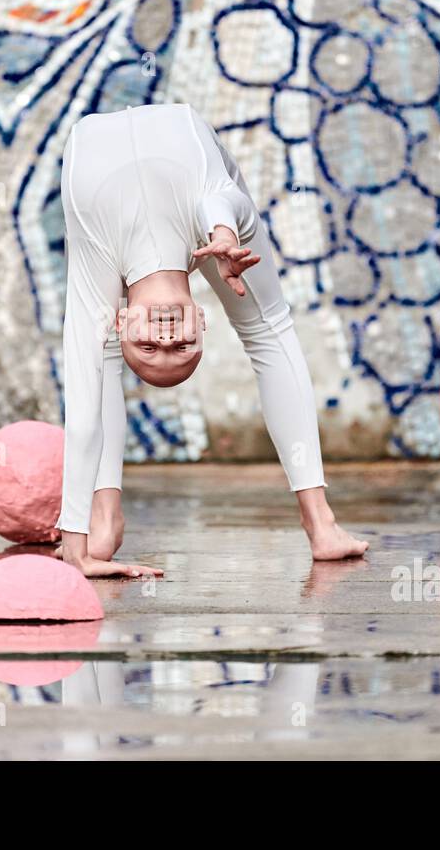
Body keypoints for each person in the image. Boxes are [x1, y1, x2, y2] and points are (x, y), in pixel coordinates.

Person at [57, 103, 368, 578]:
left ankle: (101, 525)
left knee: (95, 357)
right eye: (180, 347)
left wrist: (74, 548)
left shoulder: (97, 260)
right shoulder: (212, 211)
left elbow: (80, 406)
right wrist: (223, 231)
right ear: (201, 322)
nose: (164, 339)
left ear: (124, 324)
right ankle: (320, 523)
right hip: (207, 198)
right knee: (266, 323)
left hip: (96, 174)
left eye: (149, 347)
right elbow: (221, 197)